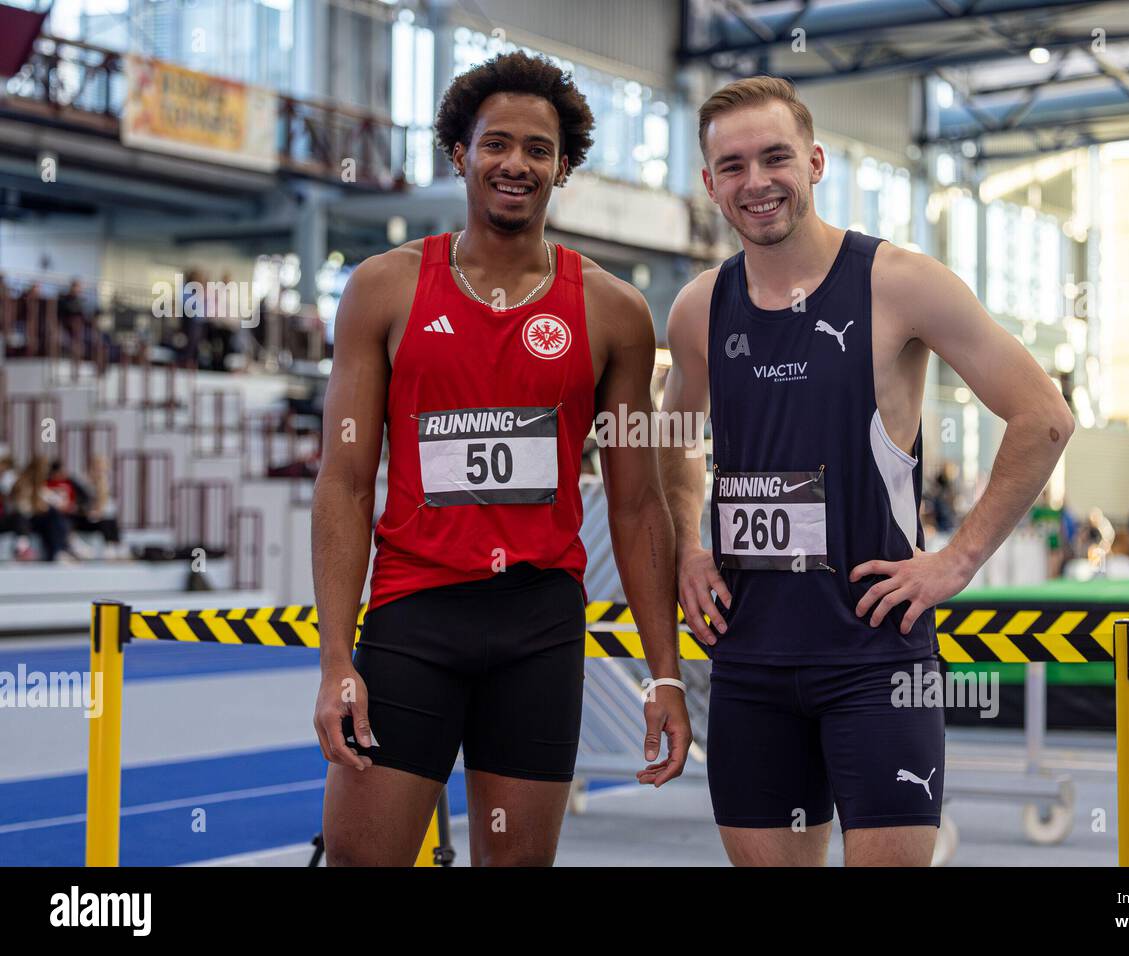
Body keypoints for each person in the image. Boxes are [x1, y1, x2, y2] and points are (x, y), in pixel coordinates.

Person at [657, 76, 1075, 867]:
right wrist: (689, 543)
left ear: (814, 162)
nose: (757, 182)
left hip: (875, 662)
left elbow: (1044, 417)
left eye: (776, 157)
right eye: (734, 165)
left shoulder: (899, 283)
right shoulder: (696, 310)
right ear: (709, 184)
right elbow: (672, 433)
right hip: (747, 662)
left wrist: (958, 559)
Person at [312, 51, 688, 867]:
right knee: (359, 860)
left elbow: (637, 505)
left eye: (538, 150)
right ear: (460, 152)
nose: (516, 164)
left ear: (563, 168)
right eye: (496, 144)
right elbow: (344, 480)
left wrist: (665, 674)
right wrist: (337, 657)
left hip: (538, 627)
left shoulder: (616, 313)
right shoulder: (385, 289)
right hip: (415, 614)